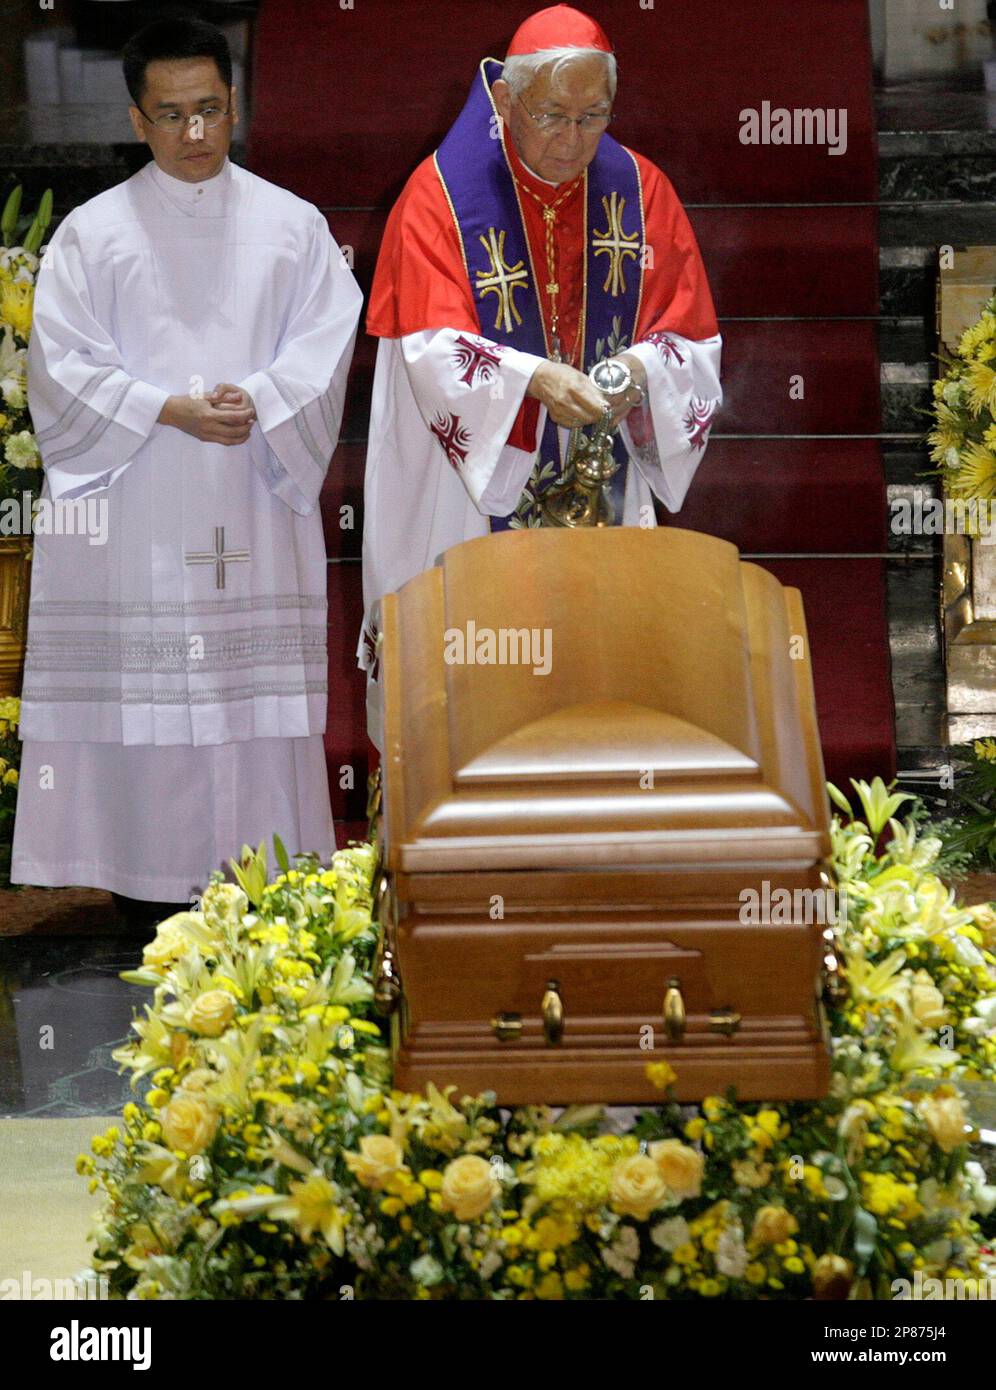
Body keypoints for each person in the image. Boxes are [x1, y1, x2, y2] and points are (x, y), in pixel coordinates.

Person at [11, 16, 362, 924]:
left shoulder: (293, 227)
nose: (196, 134)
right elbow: (63, 368)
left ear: (235, 102)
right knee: (149, 696)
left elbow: (327, 342)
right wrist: (168, 407)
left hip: (249, 493)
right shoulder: (94, 236)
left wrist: (264, 400)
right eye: (171, 116)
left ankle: (267, 885)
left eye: (211, 109)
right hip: (142, 510)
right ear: (137, 118)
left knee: (250, 706)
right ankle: (143, 888)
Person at [360, 2, 722, 748]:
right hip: (465, 494)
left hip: (601, 495)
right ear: (504, 100)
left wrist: (631, 372)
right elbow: (430, 349)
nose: (573, 141)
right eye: (552, 115)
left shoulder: (638, 189)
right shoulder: (440, 197)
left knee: (596, 698)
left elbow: (688, 338)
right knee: (464, 709)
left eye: (595, 117)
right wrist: (531, 381)